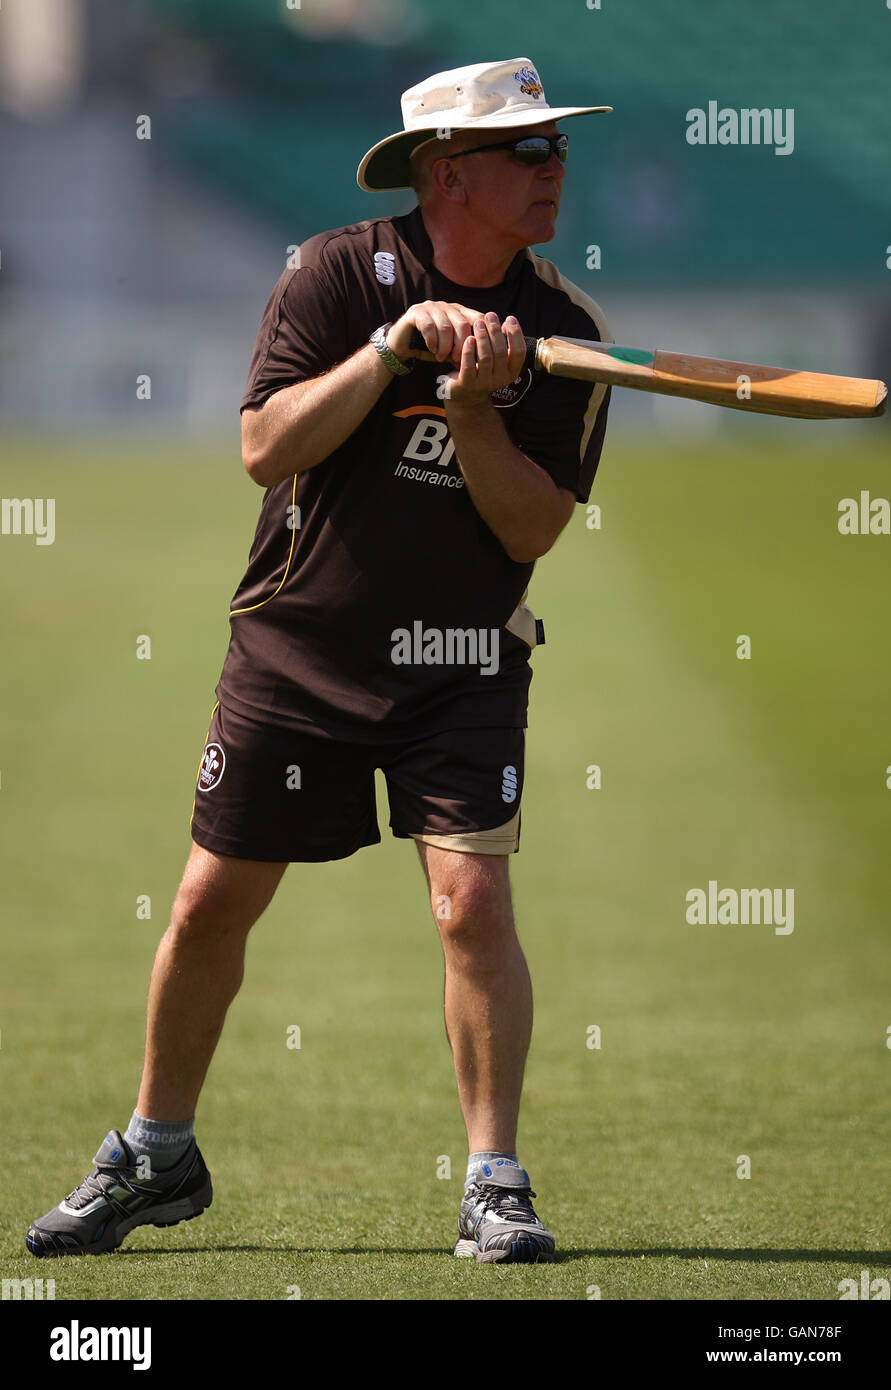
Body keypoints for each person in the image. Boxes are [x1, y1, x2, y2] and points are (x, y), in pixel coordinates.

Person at [26, 56, 613, 1265]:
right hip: (300, 645)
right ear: (448, 172)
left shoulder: (567, 333)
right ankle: (153, 1151)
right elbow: (263, 445)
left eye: (556, 147)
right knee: (208, 904)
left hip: (462, 657)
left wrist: (473, 411)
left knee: (472, 904)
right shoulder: (337, 273)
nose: (556, 168)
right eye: (530, 151)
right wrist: (396, 351)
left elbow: (532, 529)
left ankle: (494, 1183)